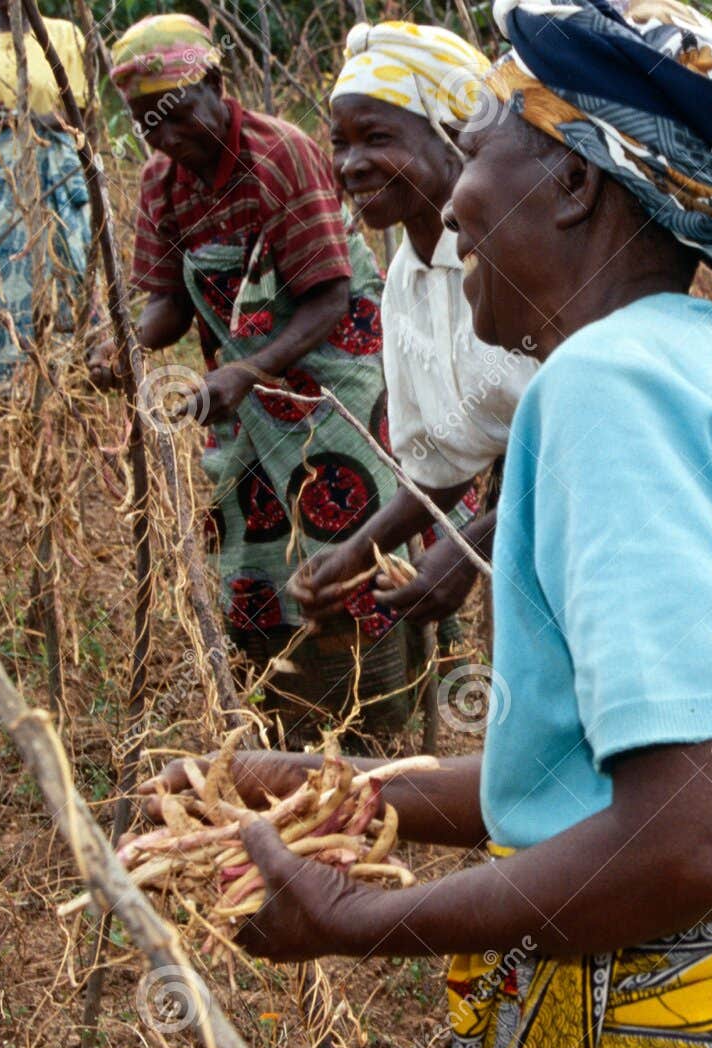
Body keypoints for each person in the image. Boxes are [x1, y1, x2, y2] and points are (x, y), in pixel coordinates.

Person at [148, 0, 712, 1048]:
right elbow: (610, 781)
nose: (458, 205)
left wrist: (358, 921)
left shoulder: (606, 388)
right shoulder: (686, 361)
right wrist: (319, 785)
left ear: (573, 184)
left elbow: (701, 837)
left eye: (474, 154)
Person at [90, 14, 421, 744]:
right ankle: (290, 719)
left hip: (336, 371)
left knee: (350, 527)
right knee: (251, 541)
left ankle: (374, 720)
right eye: (146, 121)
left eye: (174, 113)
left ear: (214, 84)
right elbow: (168, 308)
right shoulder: (162, 184)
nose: (163, 134)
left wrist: (248, 368)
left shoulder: (281, 156)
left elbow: (330, 296)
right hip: (240, 392)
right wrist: (121, 347)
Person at [290, 22, 535, 629]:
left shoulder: (528, 253)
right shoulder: (405, 278)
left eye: (376, 138)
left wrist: (477, 541)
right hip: (539, 538)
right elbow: (440, 462)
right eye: (340, 144)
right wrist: (353, 553)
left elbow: (597, 437)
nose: (350, 165)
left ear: (452, 137)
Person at [0, 2, 93, 387]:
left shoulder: (65, 35)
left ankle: (64, 377)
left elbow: (79, 109)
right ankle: (1, 381)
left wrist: (23, 118)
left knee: (62, 264)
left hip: (53, 168)